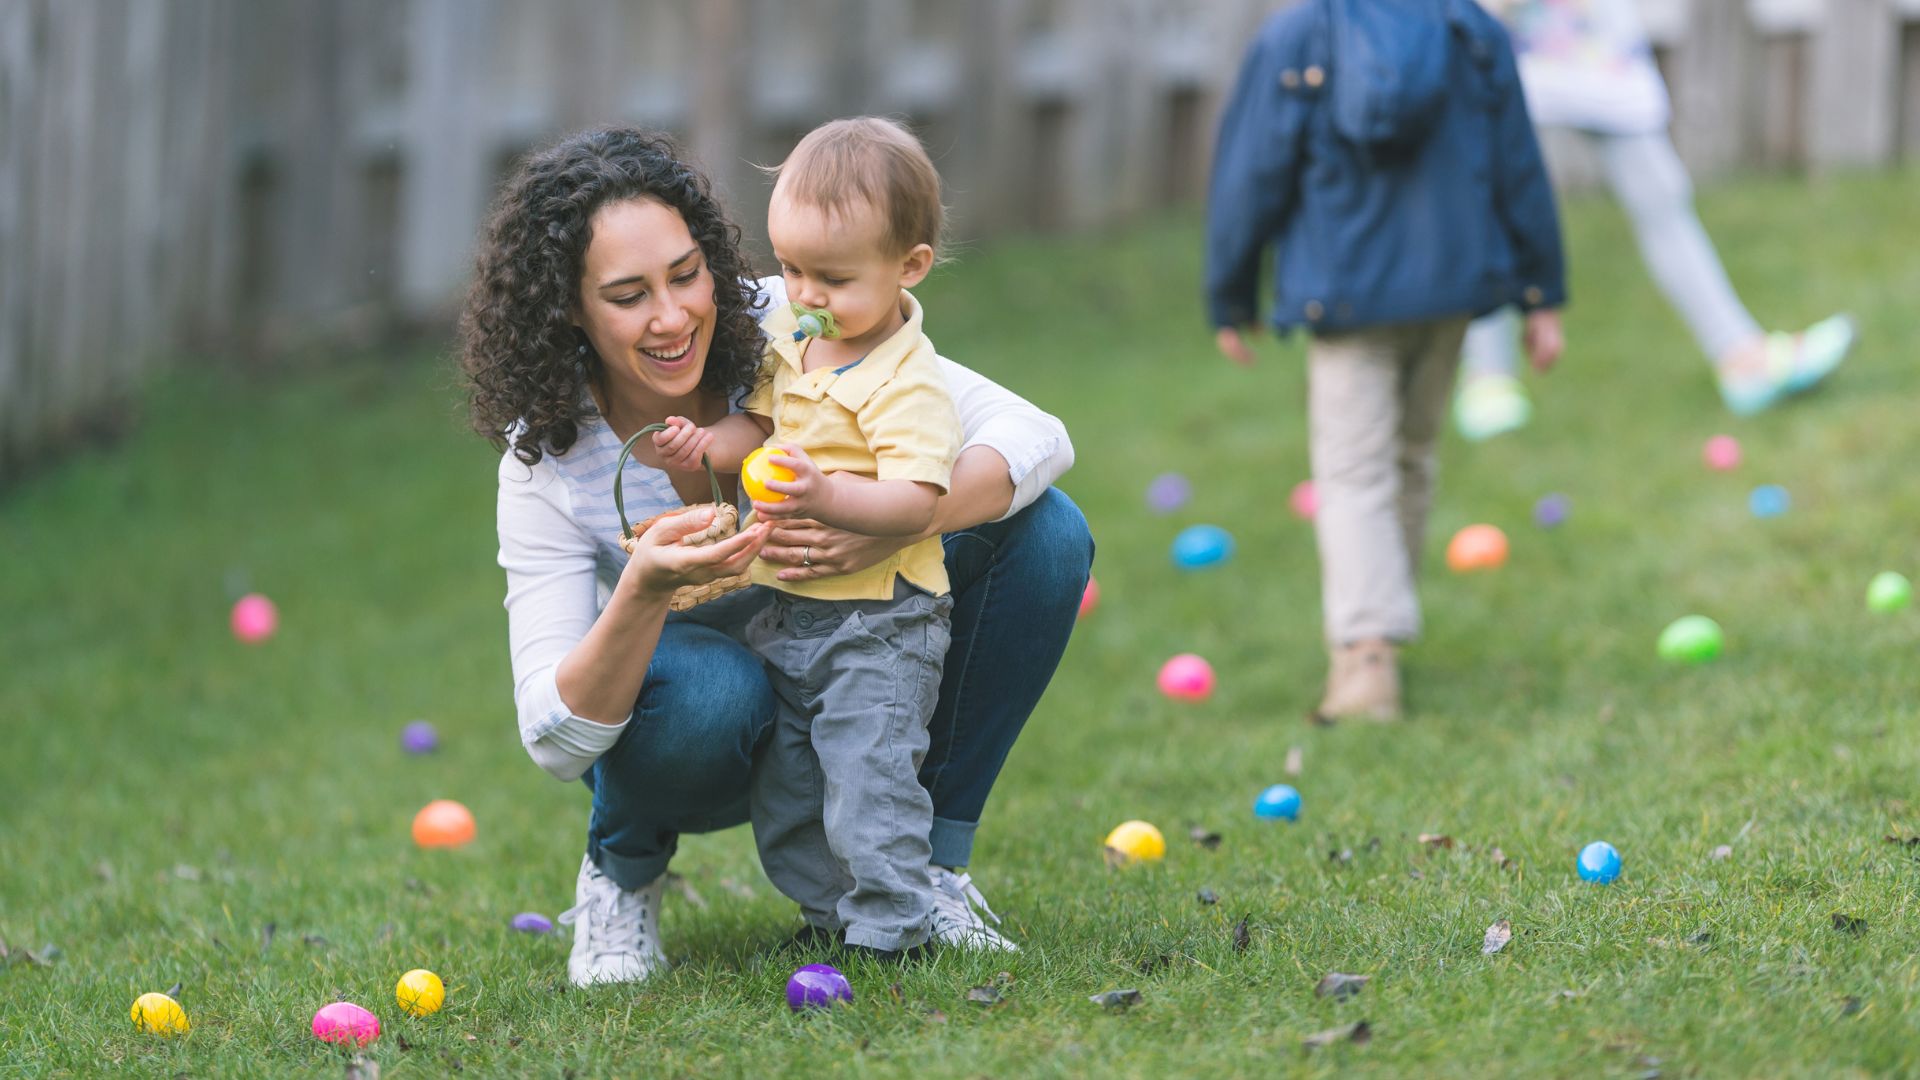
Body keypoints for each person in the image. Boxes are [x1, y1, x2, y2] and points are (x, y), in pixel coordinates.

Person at [460, 127, 1089, 987]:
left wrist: (887, 524)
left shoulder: (797, 316)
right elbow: (553, 738)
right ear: (569, 306)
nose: (674, 315)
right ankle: (623, 871)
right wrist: (642, 590)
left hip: (852, 656)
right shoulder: (549, 463)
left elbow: (1035, 438)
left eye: (687, 274)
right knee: (718, 686)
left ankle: (927, 869)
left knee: (1048, 534)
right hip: (700, 728)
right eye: (627, 294)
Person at [1205, 0, 1566, 722]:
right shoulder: (1472, 29)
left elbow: (1253, 171)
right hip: (1453, 290)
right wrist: (1539, 292)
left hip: (1347, 297)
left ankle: (1366, 656)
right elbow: (1518, 164)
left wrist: (1231, 290)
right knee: (1409, 456)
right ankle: (1381, 637)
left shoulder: (1301, 33)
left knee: (1353, 472)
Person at [656, 117, 963, 957]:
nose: (805, 294)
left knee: (869, 784)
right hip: (789, 614)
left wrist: (829, 492)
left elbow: (915, 500)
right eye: (791, 269)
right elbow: (752, 432)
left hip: (883, 624)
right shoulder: (794, 344)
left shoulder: (907, 381)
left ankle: (895, 927)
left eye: (832, 277)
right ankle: (829, 917)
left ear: (909, 268)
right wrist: (701, 445)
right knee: (790, 787)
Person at [1452, 0, 1854, 440]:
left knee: (1660, 193)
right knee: (1488, 200)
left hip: (1593, 43)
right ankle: (1487, 377)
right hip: (1501, 40)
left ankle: (1742, 356)